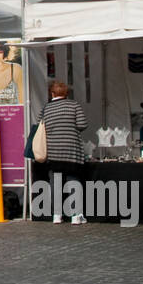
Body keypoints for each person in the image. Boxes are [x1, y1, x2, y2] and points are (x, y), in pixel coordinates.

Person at [38, 80, 89, 224]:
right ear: (66, 93)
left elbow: (40, 127)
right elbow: (82, 124)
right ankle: (76, 215)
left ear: (52, 93)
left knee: (56, 183)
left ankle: (56, 215)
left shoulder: (46, 108)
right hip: (72, 151)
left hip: (53, 151)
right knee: (74, 181)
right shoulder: (74, 105)